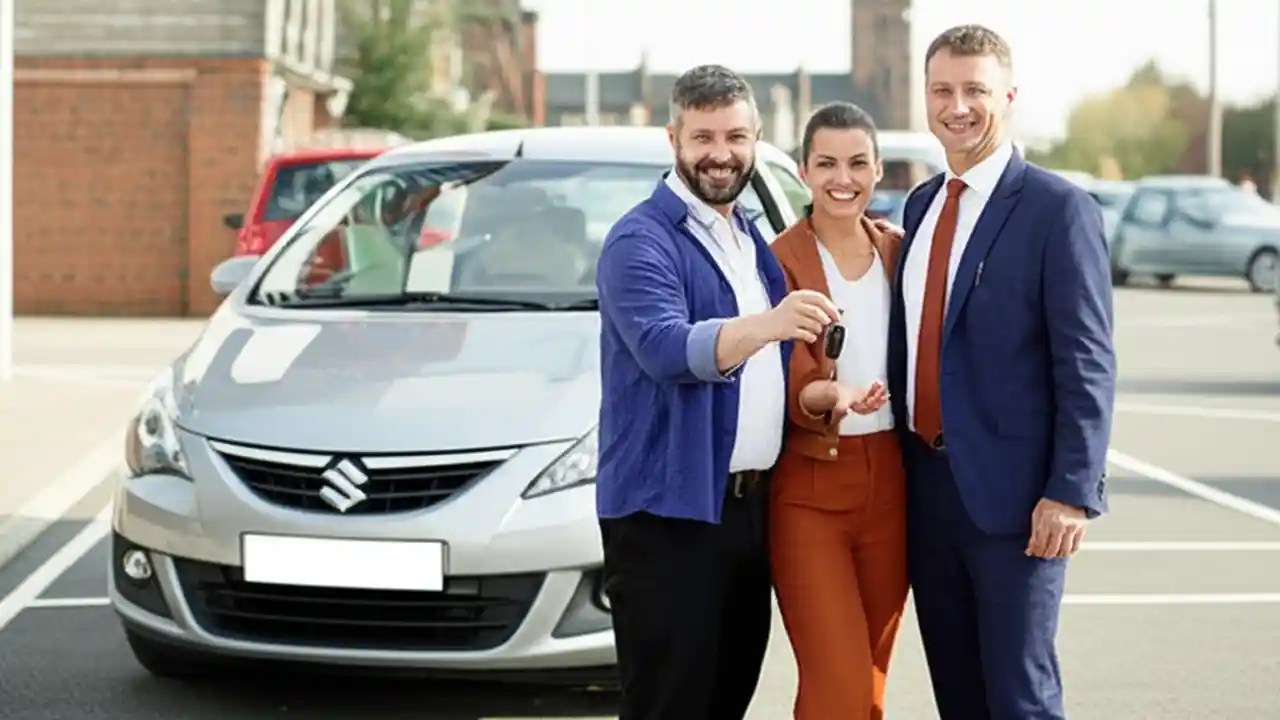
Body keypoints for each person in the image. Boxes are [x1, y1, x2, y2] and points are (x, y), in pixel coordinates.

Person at [593, 64, 841, 720]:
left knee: (725, 697)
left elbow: (768, 374)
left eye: (735, 136)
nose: (721, 154)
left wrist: (820, 398)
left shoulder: (747, 235)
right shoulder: (639, 240)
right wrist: (771, 323)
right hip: (667, 519)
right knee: (670, 704)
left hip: (746, 514)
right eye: (703, 137)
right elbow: (667, 349)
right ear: (673, 137)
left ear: (756, 137)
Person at [886, 25, 1117, 719]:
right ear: (925, 98)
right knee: (958, 695)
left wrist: (1071, 491)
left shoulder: (1057, 209)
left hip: (1018, 504)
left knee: (1020, 700)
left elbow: (1087, 359)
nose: (958, 106)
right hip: (926, 493)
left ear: (1008, 97)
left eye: (975, 90)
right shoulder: (923, 205)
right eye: (942, 91)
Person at [767, 102, 908, 719]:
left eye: (856, 163)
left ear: (878, 171)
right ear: (804, 170)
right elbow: (782, 380)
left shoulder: (900, 255)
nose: (841, 178)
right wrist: (832, 396)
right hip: (810, 490)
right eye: (826, 163)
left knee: (870, 684)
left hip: (896, 488)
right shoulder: (775, 260)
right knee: (838, 685)